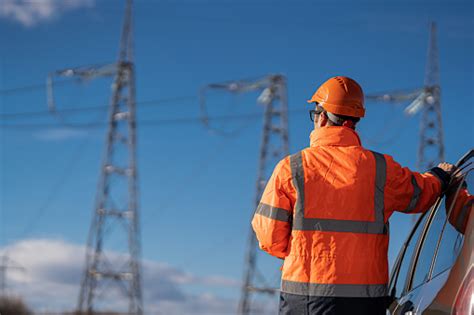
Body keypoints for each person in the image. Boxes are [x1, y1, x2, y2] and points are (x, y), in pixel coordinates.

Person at [251, 76, 456, 315]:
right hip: (365, 303)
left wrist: (304, 255)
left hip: (304, 300)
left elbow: (268, 236)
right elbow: (422, 195)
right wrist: (439, 176)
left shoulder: (292, 167)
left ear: (322, 117)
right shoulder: (380, 168)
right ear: (354, 121)